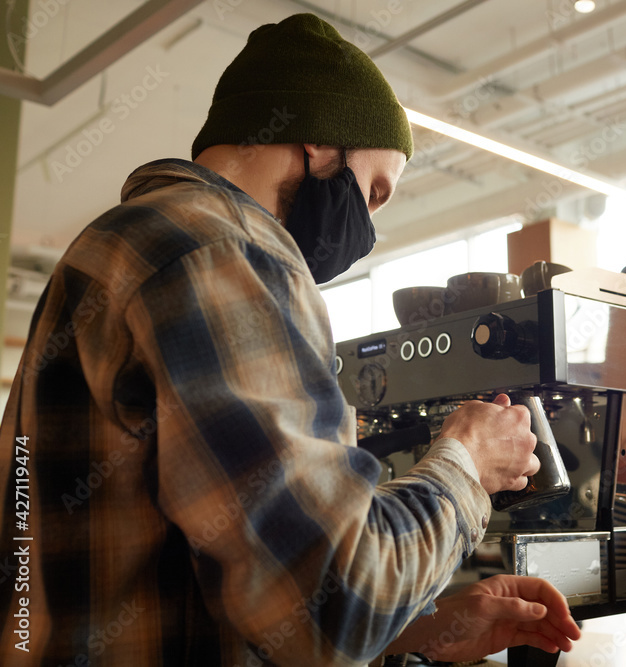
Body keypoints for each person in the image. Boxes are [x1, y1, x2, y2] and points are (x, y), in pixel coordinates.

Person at [0, 13, 581, 666]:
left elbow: (237, 574)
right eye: (374, 191)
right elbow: (331, 610)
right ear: (320, 143)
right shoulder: (223, 254)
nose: (369, 226)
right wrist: (469, 466)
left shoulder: (121, 243)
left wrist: (426, 629)